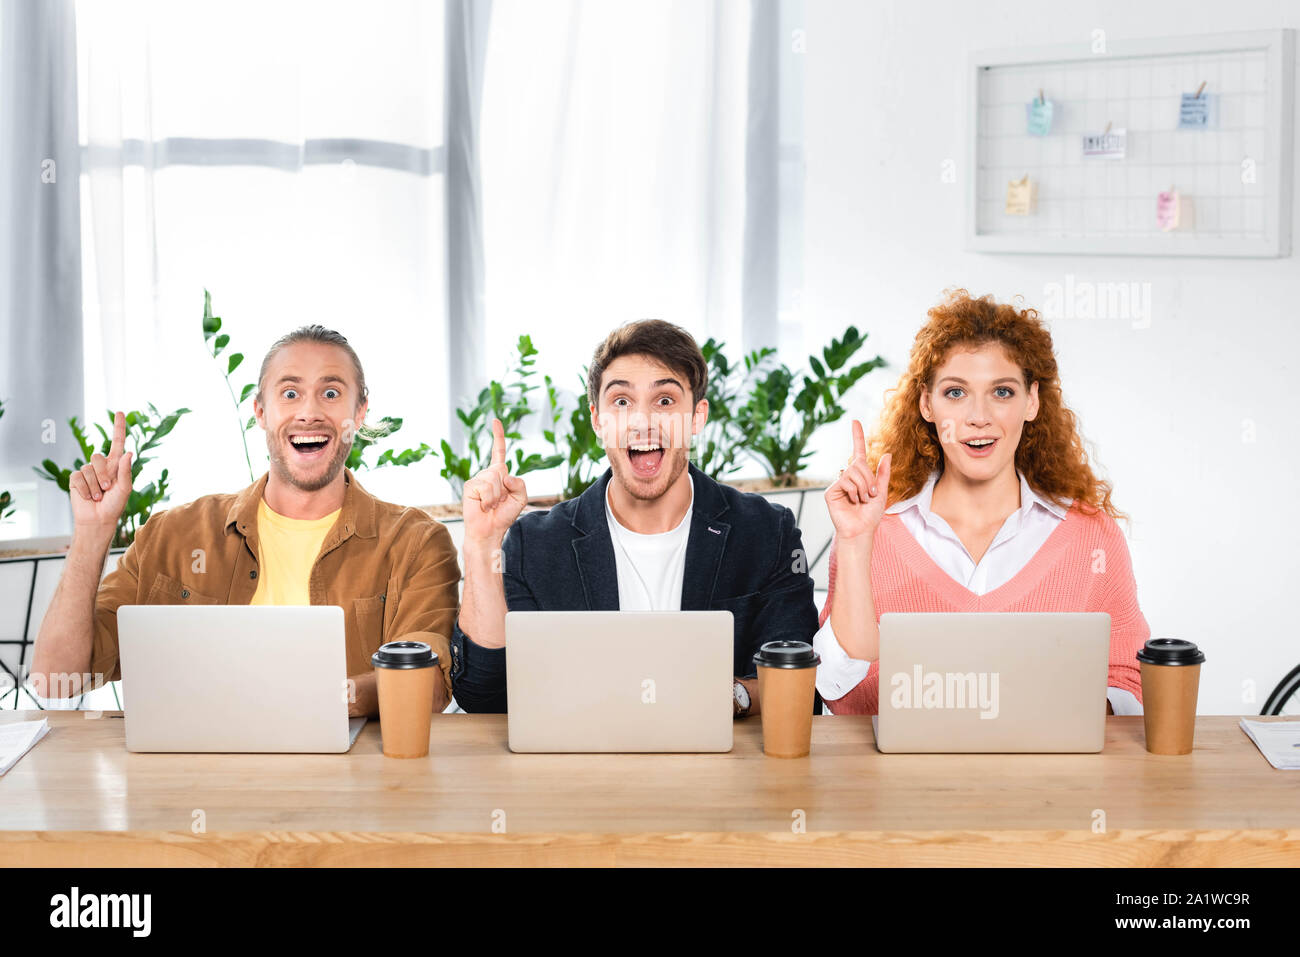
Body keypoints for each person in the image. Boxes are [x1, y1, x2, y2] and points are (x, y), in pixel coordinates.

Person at [29, 325, 460, 716]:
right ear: (260, 412)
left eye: (331, 394)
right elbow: (57, 678)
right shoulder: (172, 536)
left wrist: (310, 700)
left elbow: (428, 686)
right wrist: (92, 533)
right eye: (289, 394)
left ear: (359, 414)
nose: (308, 412)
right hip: (191, 786)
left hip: (345, 789)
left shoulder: (416, 544)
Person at [450, 319, 819, 715]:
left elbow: (801, 687)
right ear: (598, 420)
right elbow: (483, 696)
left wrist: (732, 695)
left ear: (696, 417)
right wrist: (482, 543)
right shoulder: (535, 544)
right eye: (622, 402)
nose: (642, 421)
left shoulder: (766, 532)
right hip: (581, 769)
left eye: (664, 401)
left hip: (720, 770)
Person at [815, 289, 1147, 716]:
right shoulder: (871, 527)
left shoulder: (1091, 536)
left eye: (1002, 392)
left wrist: (1042, 713)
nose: (978, 417)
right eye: (955, 393)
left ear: (1032, 401)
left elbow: (1129, 685)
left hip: (1046, 778)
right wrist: (857, 543)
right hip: (896, 780)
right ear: (926, 404)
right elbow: (839, 689)